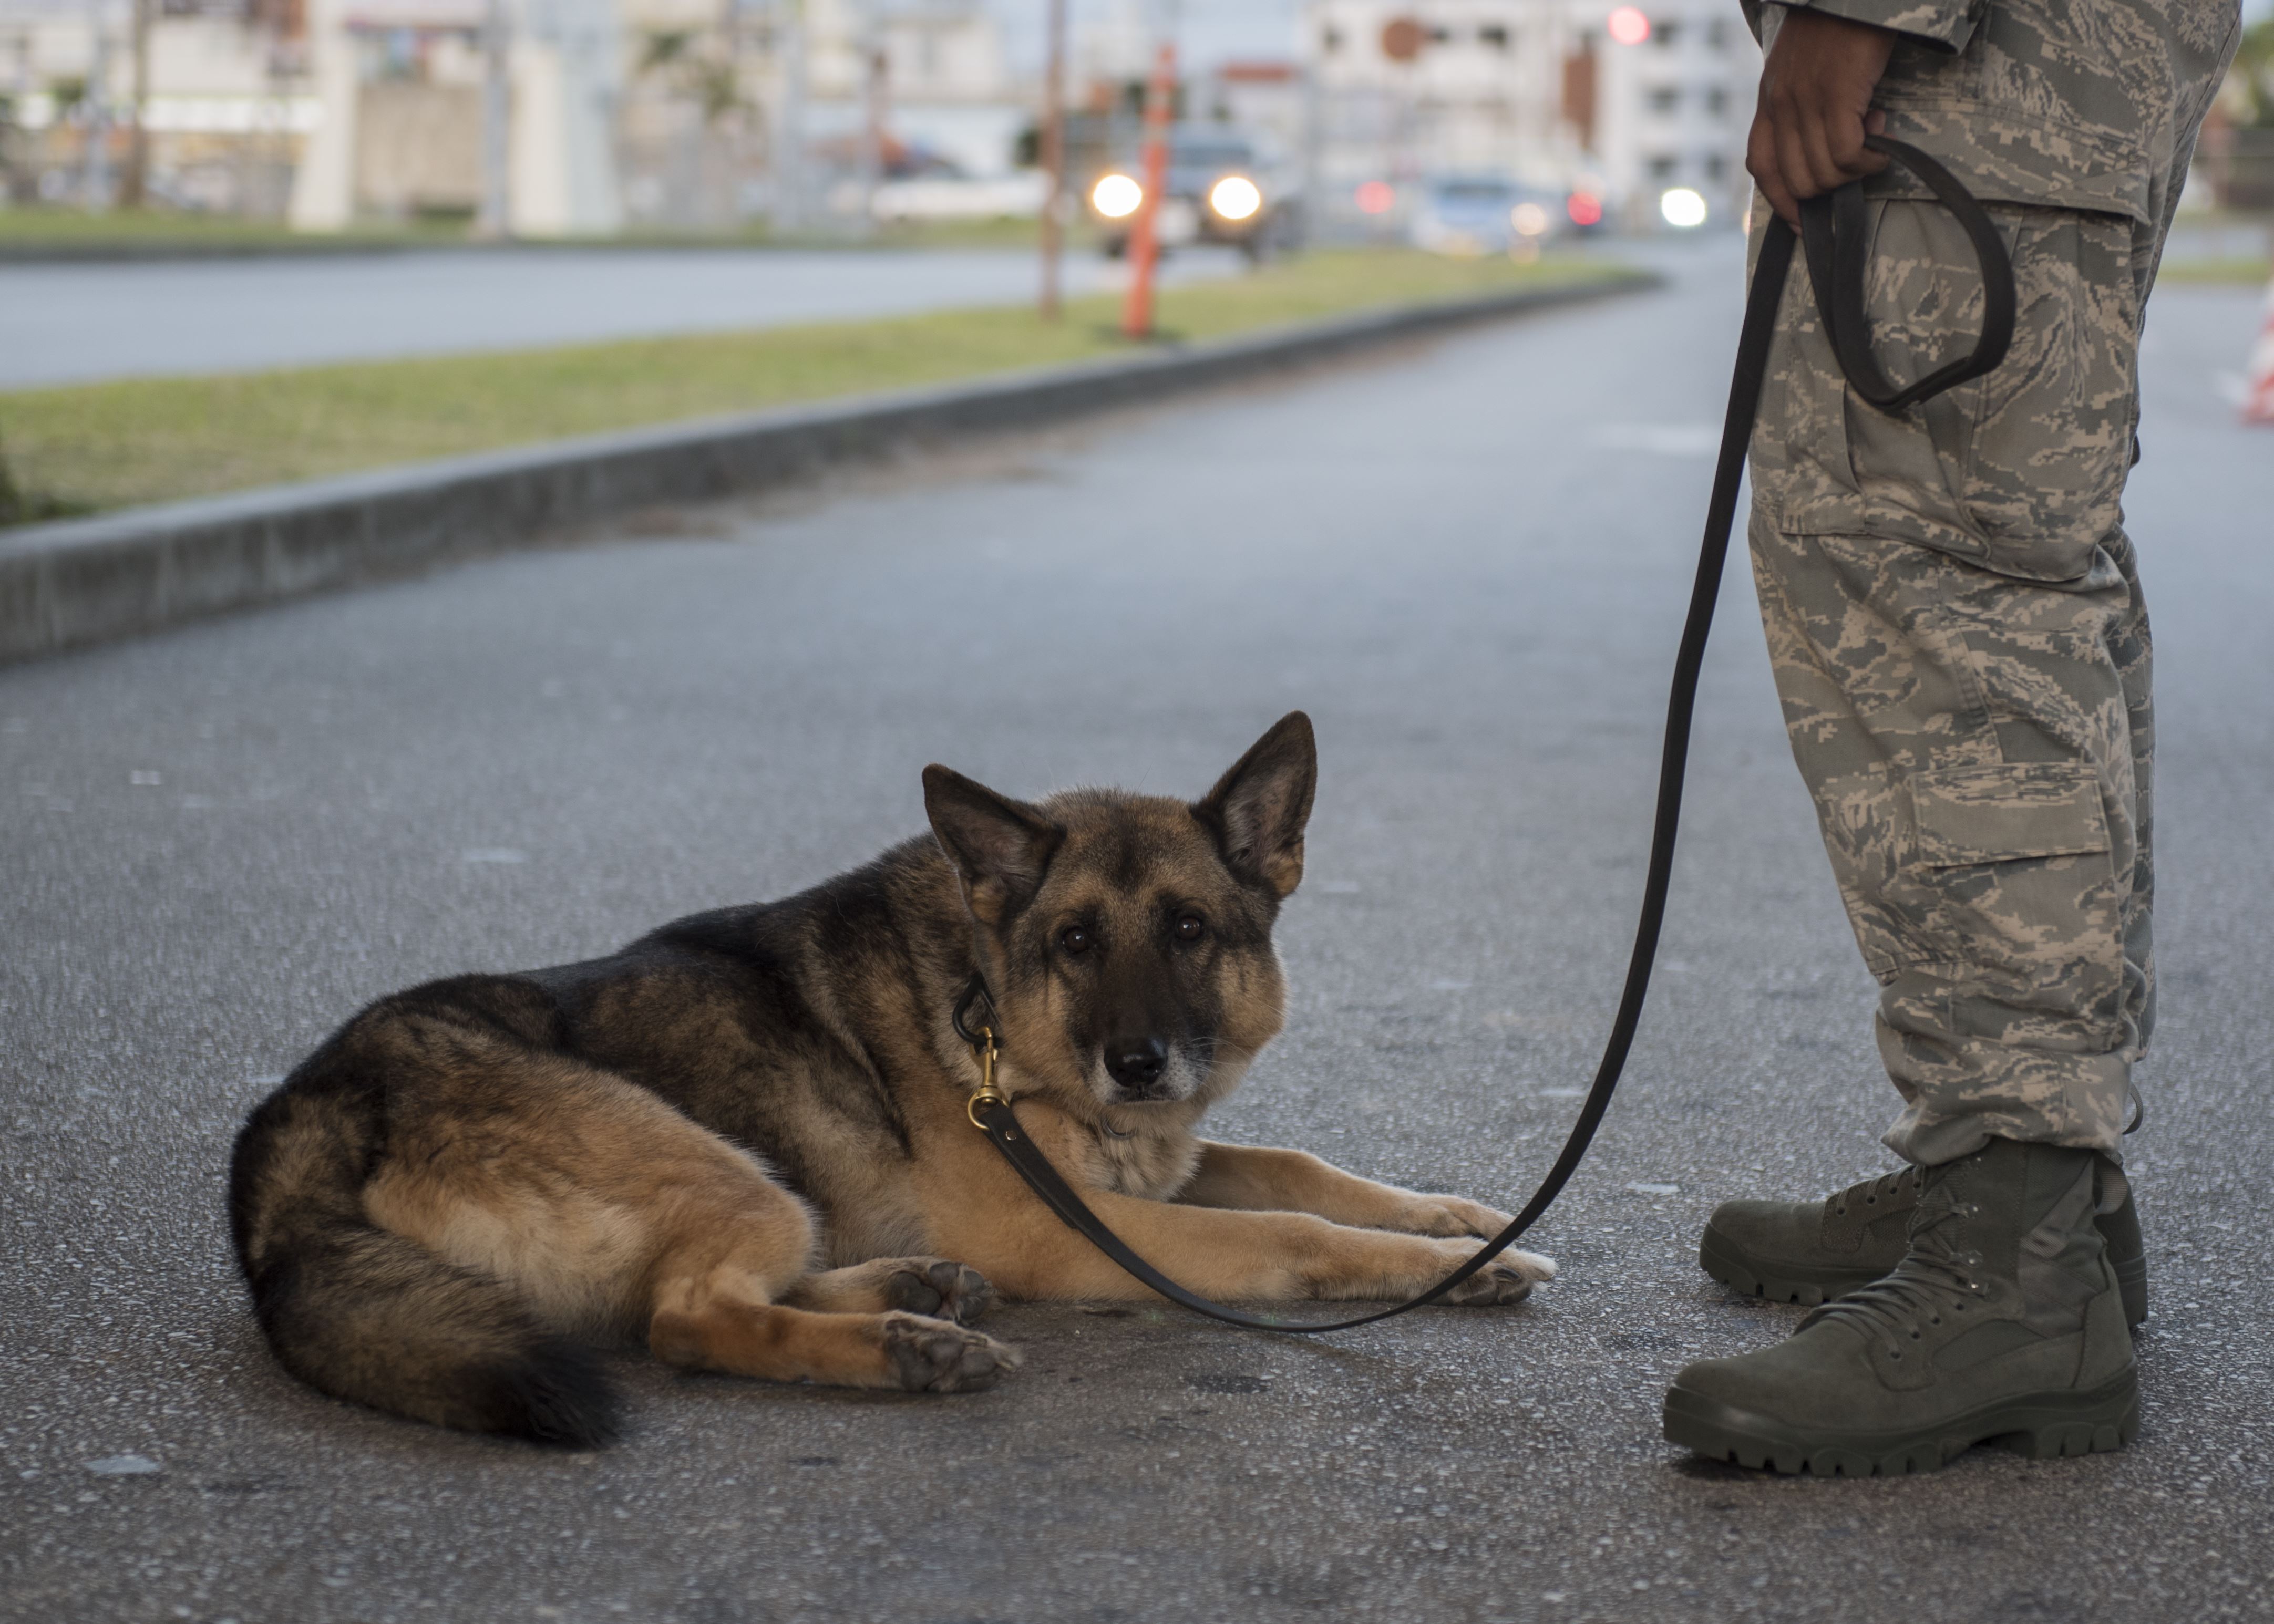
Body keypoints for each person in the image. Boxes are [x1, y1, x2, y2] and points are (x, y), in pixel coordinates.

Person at [1661, 0, 2244, 1473]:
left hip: (1967, 64)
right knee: (2012, 571)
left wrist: (1861, 9)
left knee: (1940, 582)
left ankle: (2016, 1256)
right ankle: (2039, 1190)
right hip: (2040, 68)